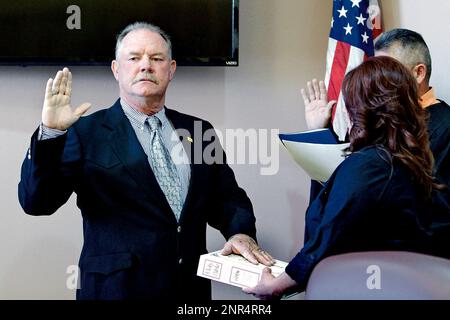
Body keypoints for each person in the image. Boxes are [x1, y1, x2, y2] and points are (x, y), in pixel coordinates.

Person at [18, 22, 274, 300]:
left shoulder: (198, 131)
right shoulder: (85, 132)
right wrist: (51, 134)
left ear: (171, 69)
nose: (146, 65)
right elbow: (37, 202)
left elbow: (227, 199)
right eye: (134, 57)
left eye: (156, 58)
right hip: (115, 292)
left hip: (188, 292)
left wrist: (240, 233)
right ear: (116, 69)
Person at [243, 56, 450, 299]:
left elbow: (327, 236)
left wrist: (277, 285)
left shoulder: (369, 166)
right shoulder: (410, 160)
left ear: (365, 109)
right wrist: (319, 130)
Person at [302, 28, 450, 187]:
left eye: (388, 71)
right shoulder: (377, 119)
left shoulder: (445, 128)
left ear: (419, 73)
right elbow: (345, 177)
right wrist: (319, 131)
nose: (376, 79)